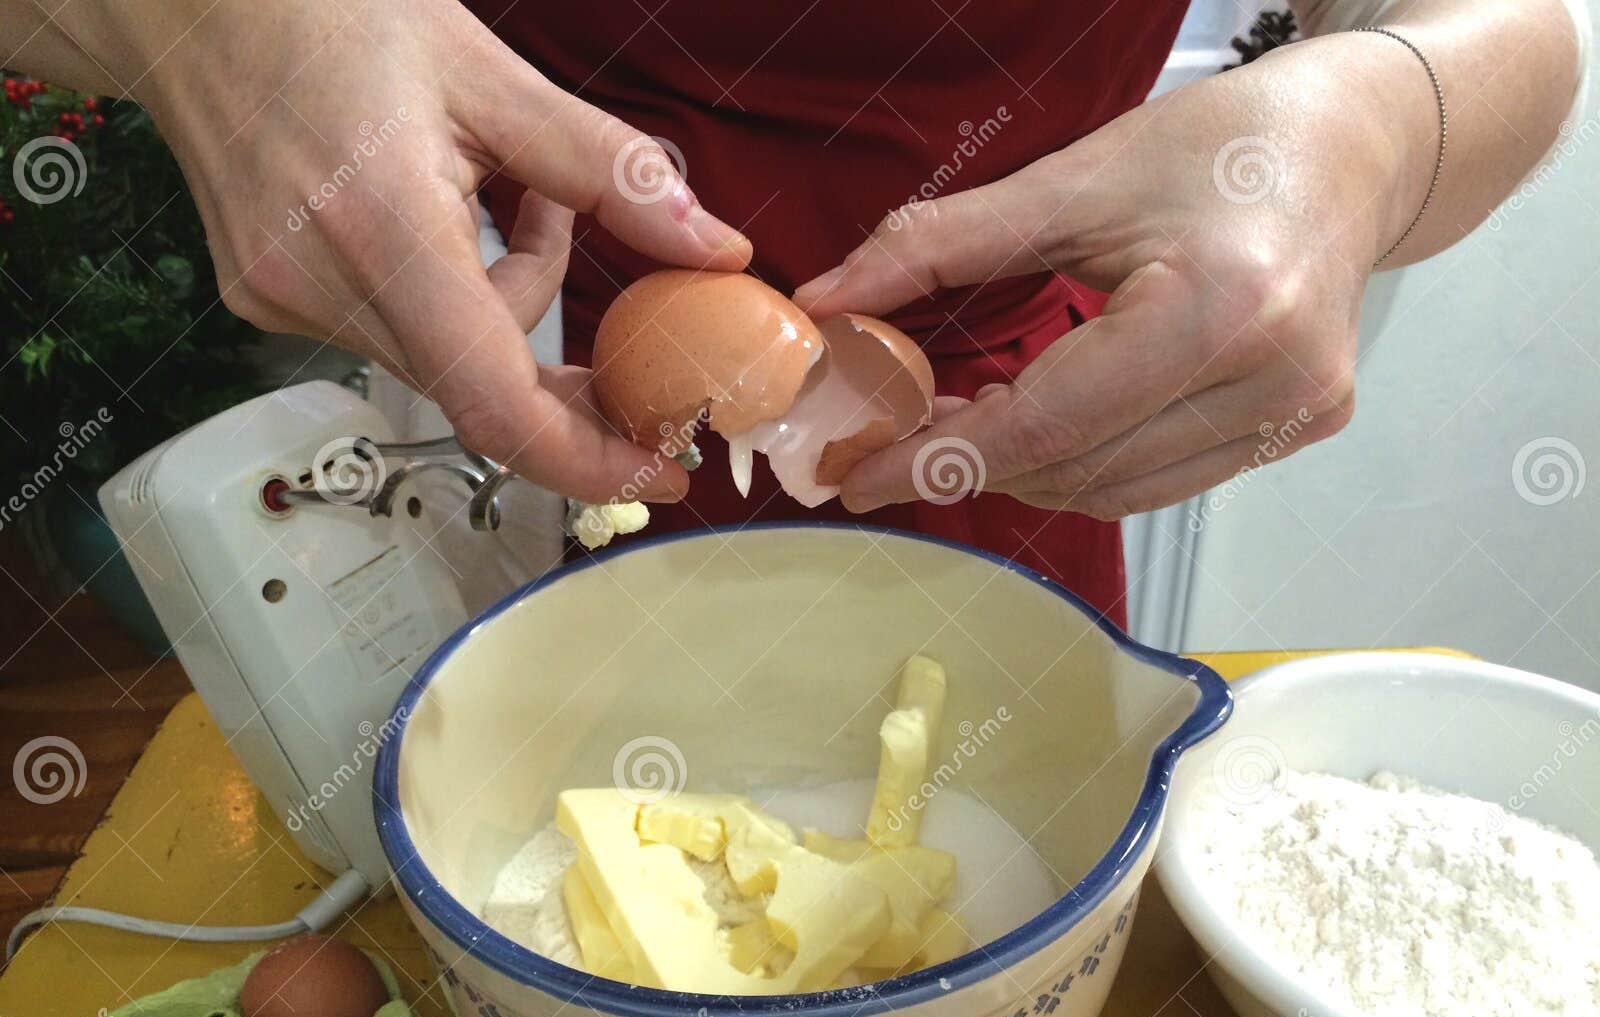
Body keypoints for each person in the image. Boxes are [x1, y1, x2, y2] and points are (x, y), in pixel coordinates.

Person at [3, 1, 1585, 622]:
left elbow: (1514, 25)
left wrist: (1376, 126)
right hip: (571, 430)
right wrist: (212, 20)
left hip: (999, 446)